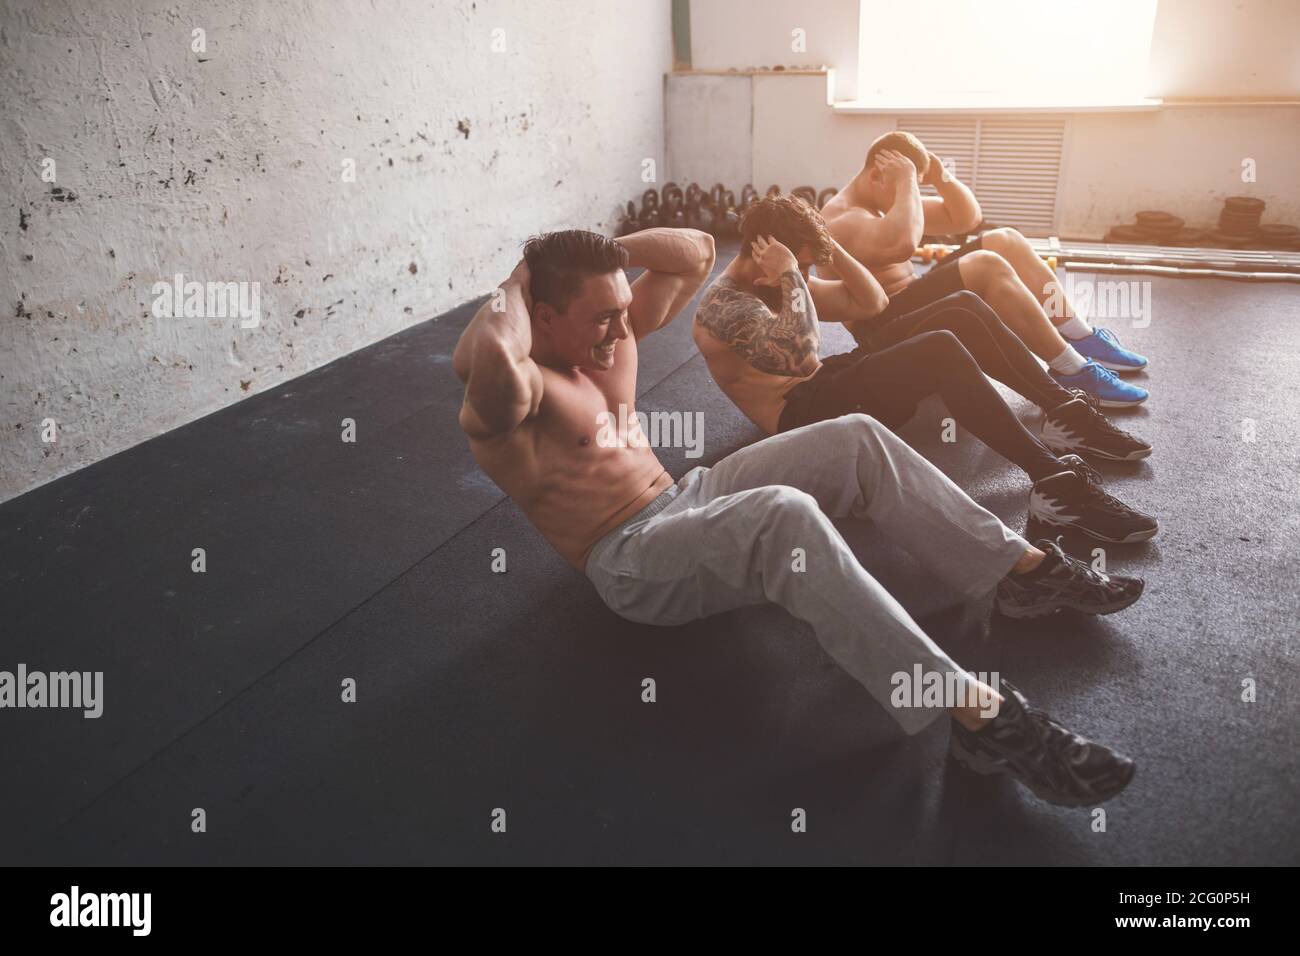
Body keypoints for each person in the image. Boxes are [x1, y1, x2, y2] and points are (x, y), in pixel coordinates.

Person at [454, 226, 1140, 806]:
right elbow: (486, 356)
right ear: (541, 317)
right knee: (784, 515)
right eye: (599, 316)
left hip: (689, 493)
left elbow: (692, 250)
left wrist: (597, 255)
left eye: (621, 309)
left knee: (856, 435)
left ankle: (1019, 571)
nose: (620, 328)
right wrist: (518, 277)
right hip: (629, 554)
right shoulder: (517, 397)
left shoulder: (607, 339)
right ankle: (971, 714)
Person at [694, 196, 1156, 544]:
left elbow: (871, 301)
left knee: (960, 307)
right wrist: (795, 275)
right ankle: (1055, 484)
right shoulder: (726, 307)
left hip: (829, 384)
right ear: (764, 254)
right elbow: (801, 358)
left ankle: (1063, 412)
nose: (809, 270)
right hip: (803, 416)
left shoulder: (780, 277)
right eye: (804, 262)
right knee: (938, 349)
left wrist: (826, 247)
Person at [821, 130, 1149, 407]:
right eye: (907, 185)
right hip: (883, 329)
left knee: (1004, 239)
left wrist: (941, 177)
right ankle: (1069, 369)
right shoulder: (842, 218)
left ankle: (1079, 335)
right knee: (986, 265)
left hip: (911, 304)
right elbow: (902, 244)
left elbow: (966, 219)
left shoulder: (883, 201)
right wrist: (907, 181)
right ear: (877, 175)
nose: (913, 193)